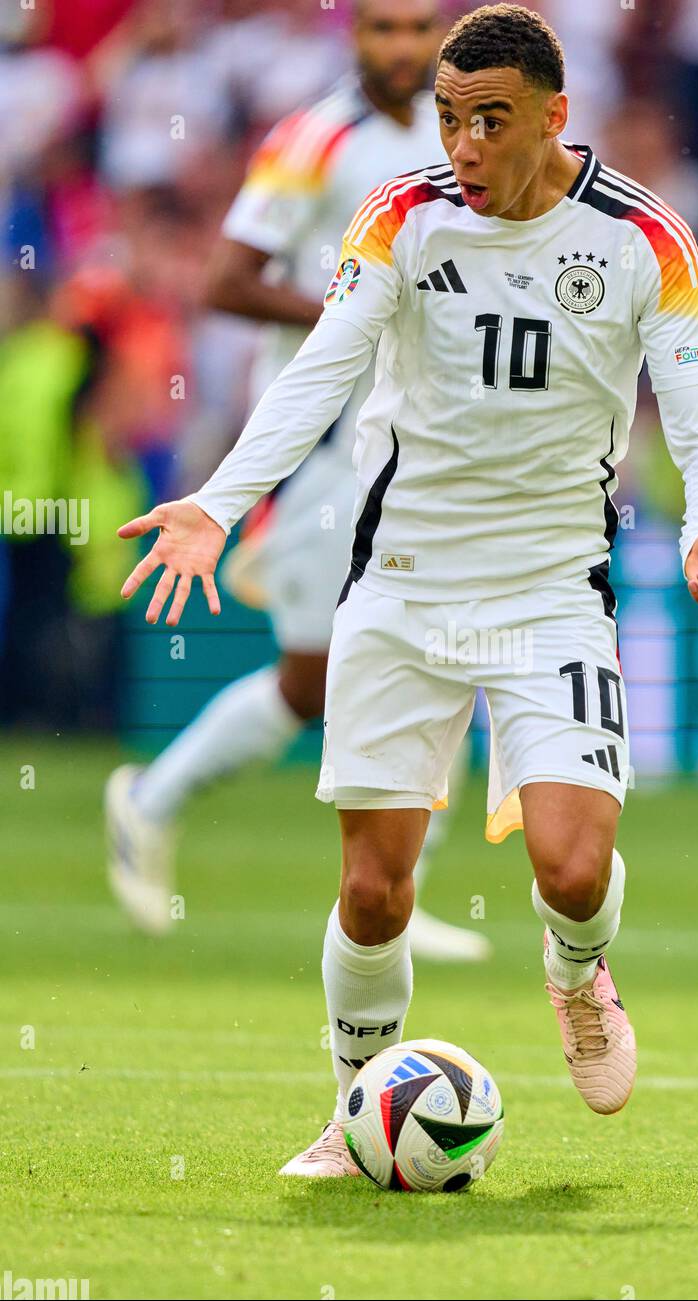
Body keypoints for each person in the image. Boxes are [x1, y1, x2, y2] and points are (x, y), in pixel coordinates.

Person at [117, 4, 698, 1179]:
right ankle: (357, 1106)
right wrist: (218, 499)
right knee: (372, 890)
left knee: (569, 869)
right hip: (400, 581)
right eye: (451, 117)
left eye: (489, 120)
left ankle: (575, 975)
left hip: (554, 588)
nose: (460, 141)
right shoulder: (401, 214)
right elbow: (320, 374)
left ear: (554, 116)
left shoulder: (641, 241)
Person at [106, 0, 489, 962]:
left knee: (450, 651)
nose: (400, 48)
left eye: (416, 30)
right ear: (351, 37)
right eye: (381, 29)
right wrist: (360, 307)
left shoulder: (466, 143)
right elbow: (226, 281)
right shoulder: (314, 139)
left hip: (421, 444)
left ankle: (404, 889)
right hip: (329, 449)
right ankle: (149, 799)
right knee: (316, 681)